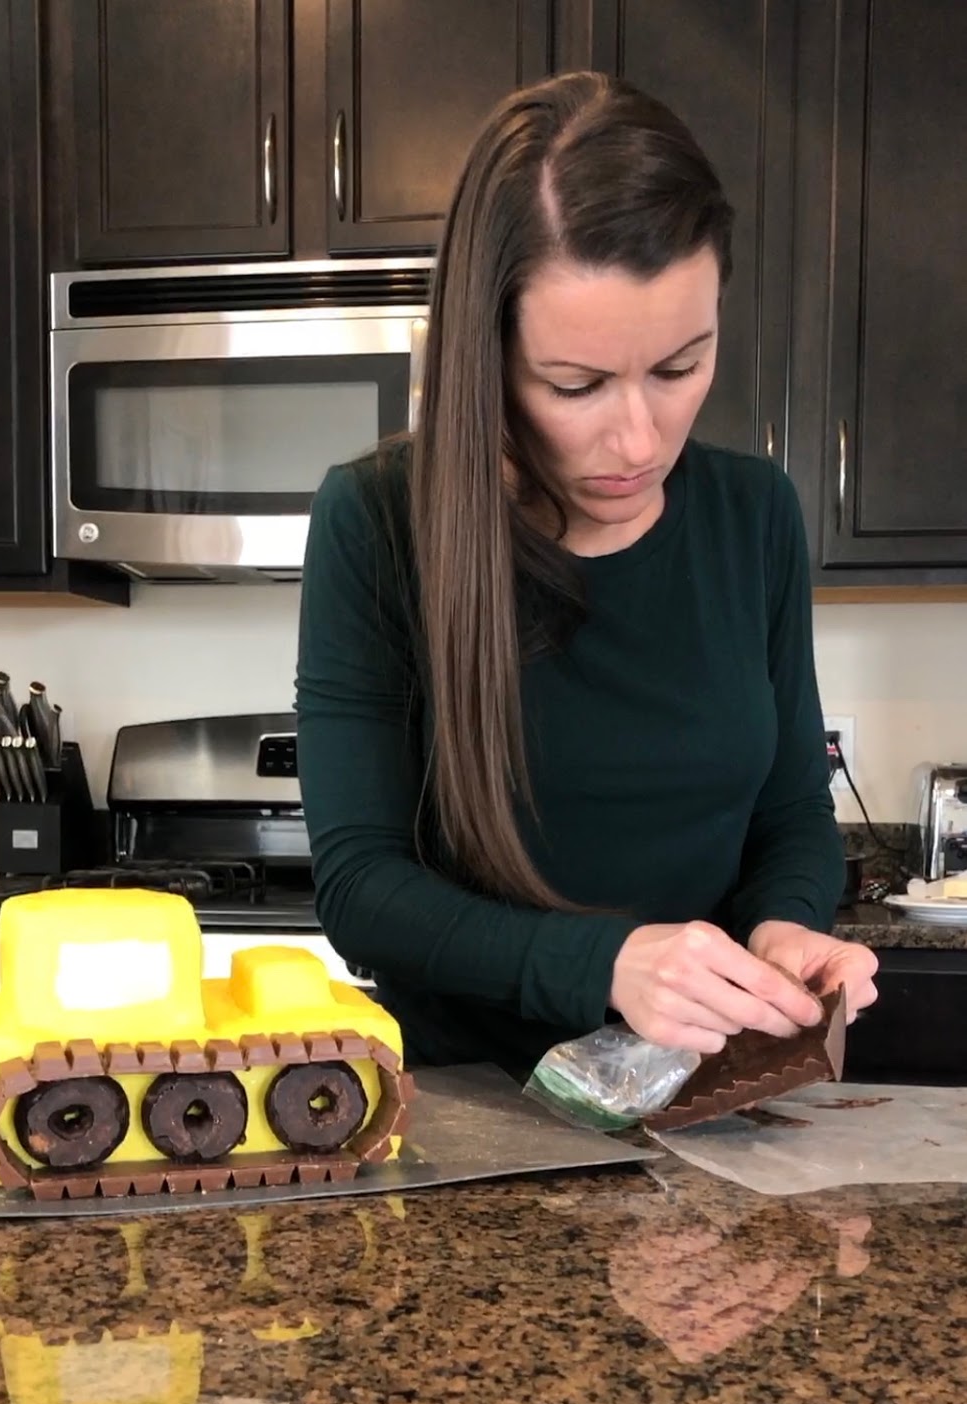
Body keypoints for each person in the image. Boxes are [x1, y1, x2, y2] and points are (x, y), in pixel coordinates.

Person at [295, 71, 878, 1080]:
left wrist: (784, 928)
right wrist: (606, 963)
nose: (638, 437)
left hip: (704, 1103)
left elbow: (790, 813)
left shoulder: (754, 516)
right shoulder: (378, 523)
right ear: (490, 354)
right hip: (464, 1120)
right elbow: (361, 887)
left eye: (678, 366)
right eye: (576, 384)